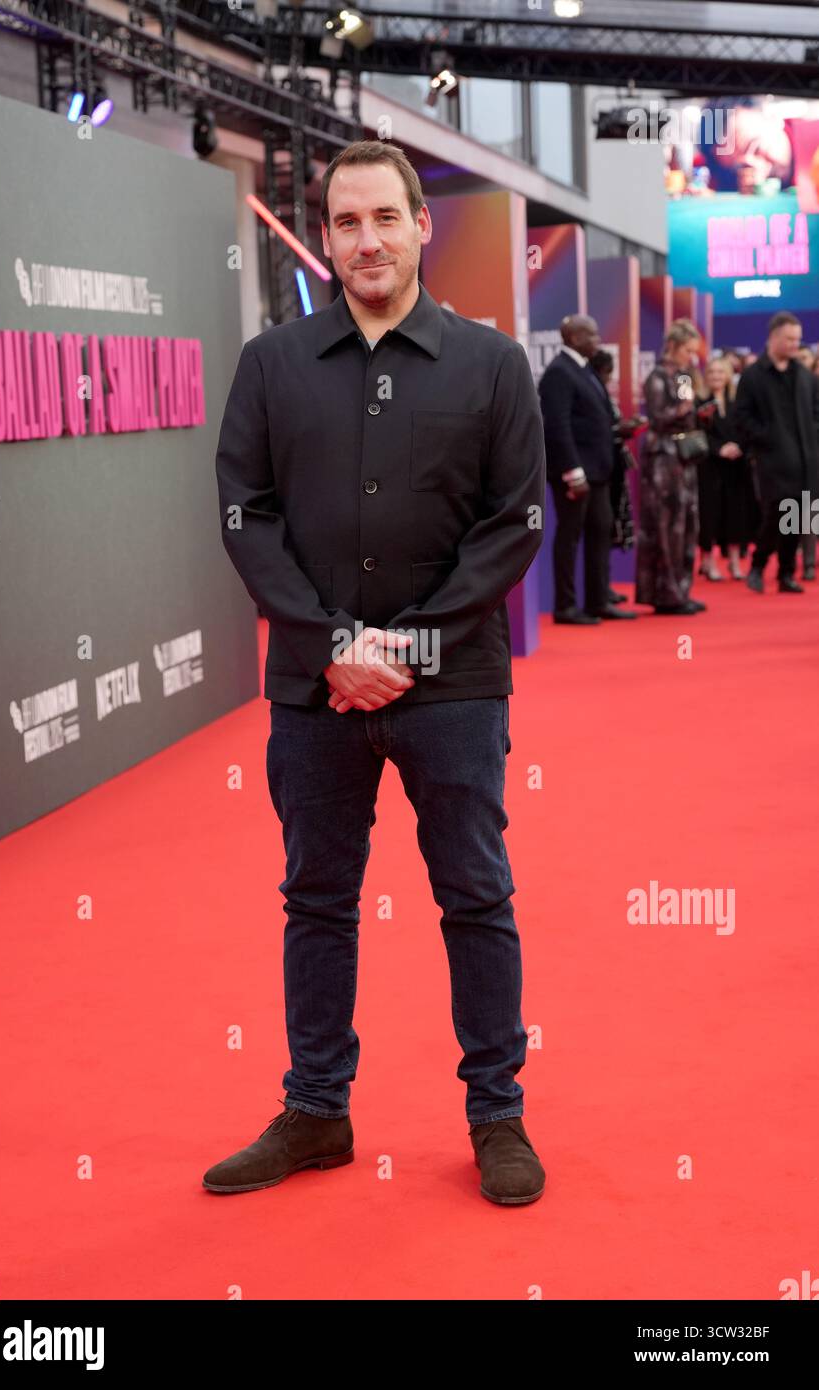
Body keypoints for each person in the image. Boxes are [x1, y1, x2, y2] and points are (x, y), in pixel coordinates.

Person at [208, 140, 547, 1206]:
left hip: (451, 687)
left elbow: (514, 525)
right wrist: (326, 646)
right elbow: (243, 516)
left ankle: (497, 1112)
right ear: (324, 234)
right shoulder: (270, 365)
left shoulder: (492, 365)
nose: (365, 240)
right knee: (315, 898)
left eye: (383, 219)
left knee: (475, 896)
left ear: (419, 225)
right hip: (313, 690)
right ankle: (315, 1108)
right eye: (345, 222)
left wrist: (399, 647)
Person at [539, 316, 636, 623]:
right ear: (573, 337)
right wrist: (573, 472)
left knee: (600, 533)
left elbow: (593, 418)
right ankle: (565, 607)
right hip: (576, 474)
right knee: (569, 537)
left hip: (599, 473)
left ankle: (598, 600)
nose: (598, 339)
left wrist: (619, 428)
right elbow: (557, 427)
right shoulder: (558, 372)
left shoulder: (584, 369)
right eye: (591, 334)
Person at [734, 311, 819, 593]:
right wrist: (765, 437)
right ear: (773, 338)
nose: (795, 345)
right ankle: (758, 566)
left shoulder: (804, 375)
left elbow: (816, 411)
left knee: (795, 518)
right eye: (789, 339)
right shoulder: (753, 376)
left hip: (805, 460)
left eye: (797, 339)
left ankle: (785, 573)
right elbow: (742, 416)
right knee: (775, 515)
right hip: (772, 460)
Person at [634, 319, 708, 615]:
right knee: (665, 524)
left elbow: (685, 415)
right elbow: (657, 417)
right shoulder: (657, 376)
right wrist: (682, 410)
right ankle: (666, 592)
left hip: (684, 457)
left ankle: (681, 588)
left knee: (687, 524)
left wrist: (700, 413)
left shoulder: (685, 377)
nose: (691, 357)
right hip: (663, 460)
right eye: (688, 350)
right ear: (674, 346)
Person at [590, 348, 643, 603]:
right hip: (601, 468)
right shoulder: (593, 389)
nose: (610, 378)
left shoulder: (603, 394)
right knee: (604, 529)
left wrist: (626, 428)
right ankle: (600, 591)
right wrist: (619, 430)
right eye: (608, 372)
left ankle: (605, 588)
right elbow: (598, 429)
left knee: (611, 527)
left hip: (613, 467)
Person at [695, 356, 754, 580]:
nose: (716, 377)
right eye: (712, 373)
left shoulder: (737, 401)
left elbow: (746, 427)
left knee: (736, 513)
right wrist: (719, 449)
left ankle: (734, 561)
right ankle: (708, 561)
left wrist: (739, 447)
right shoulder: (699, 402)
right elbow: (698, 433)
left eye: (721, 372)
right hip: (710, 466)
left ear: (728, 375)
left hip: (736, 466)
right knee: (709, 513)